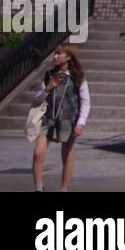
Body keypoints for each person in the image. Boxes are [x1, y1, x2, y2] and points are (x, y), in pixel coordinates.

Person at [31, 44, 90, 192]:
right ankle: (38, 188)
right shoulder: (48, 75)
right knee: (38, 153)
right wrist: (48, 87)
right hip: (48, 117)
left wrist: (81, 123)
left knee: (67, 155)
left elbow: (85, 102)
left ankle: (64, 189)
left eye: (58, 54)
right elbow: (36, 100)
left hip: (68, 119)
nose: (54, 57)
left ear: (68, 57)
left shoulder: (78, 76)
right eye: (54, 54)